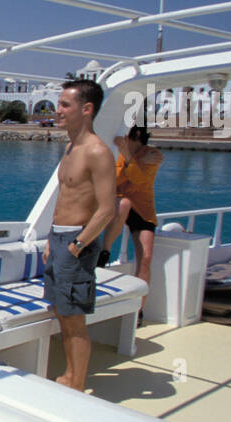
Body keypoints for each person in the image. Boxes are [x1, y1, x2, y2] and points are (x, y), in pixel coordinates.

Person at [42, 79, 117, 392]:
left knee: (74, 320)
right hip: (59, 239)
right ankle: (71, 375)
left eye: (65, 105)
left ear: (86, 109)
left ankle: (77, 384)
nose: (57, 110)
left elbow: (107, 208)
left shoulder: (97, 151)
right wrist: (51, 239)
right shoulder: (70, 147)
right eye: (59, 104)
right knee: (61, 311)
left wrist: (78, 244)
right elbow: (65, 198)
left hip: (76, 243)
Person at [101, 125, 163, 323]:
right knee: (125, 202)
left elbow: (139, 181)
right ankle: (105, 251)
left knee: (145, 257)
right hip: (120, 204)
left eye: (126, 137)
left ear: (134, 137)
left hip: (143, 209)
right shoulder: (119, 155)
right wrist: (130, 160)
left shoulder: (153, 156)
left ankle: (139, 310)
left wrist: (128, 158)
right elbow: (116, 182)